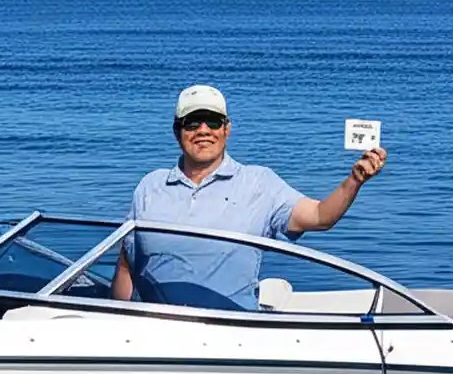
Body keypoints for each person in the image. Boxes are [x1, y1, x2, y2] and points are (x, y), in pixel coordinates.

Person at [110, 84, 387, 310]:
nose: (203, 130)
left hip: (236, 333)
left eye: (214, 122)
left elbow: (319, 216)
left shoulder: (258, 183)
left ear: (227, 129)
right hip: (153, 330)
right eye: (192, 123)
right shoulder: (150, 185)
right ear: (177, 132)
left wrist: (355, 180)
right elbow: (127, 266)